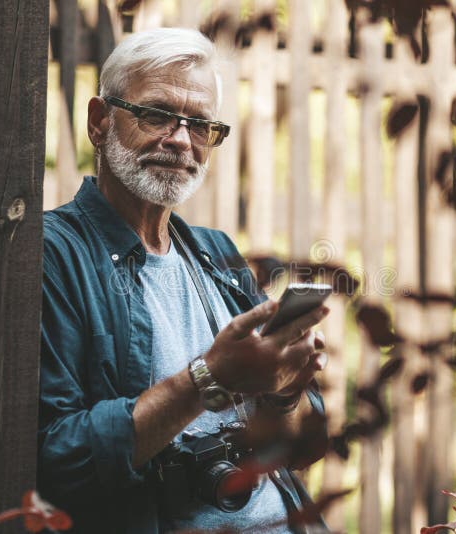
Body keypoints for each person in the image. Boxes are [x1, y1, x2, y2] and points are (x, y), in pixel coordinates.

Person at [38, 27, 330, 533]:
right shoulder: (52, 252)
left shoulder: (215, 254)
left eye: (200, 125)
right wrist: (207, 378)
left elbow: (298, 452)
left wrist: (285, 392)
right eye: (156, 113)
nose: (179, 139)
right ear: (99, 121)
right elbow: (58, 459)